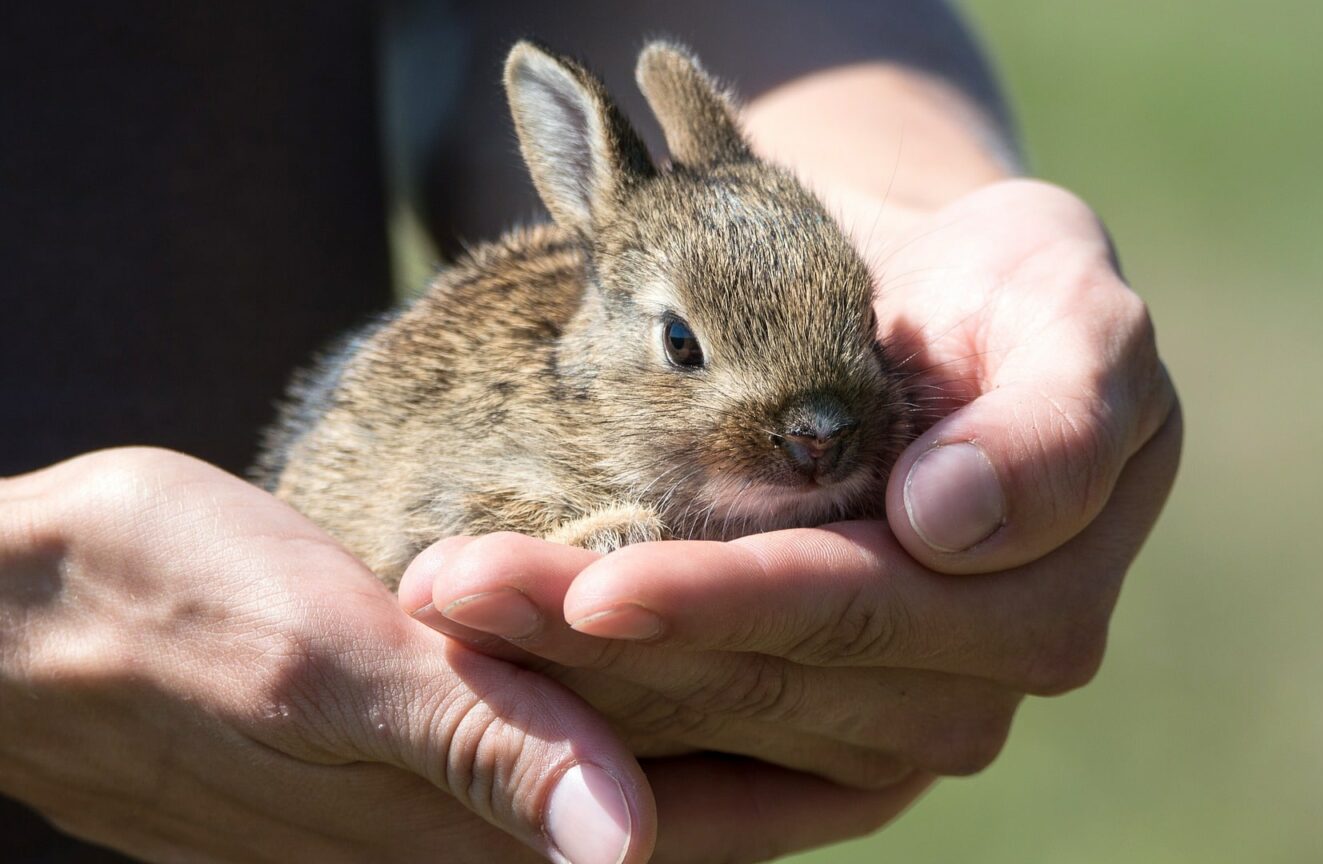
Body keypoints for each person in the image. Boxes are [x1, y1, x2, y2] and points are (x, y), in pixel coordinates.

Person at [0, 3, 1181, 863]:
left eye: (858, 332)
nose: (821, 431)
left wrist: (934, 215)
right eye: (687, 351)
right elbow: (438, 522)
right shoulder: (532, 435)